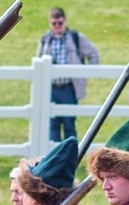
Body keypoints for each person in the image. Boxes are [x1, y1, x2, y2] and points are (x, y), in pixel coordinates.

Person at [36, 8, 98, 143]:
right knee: (53, 124)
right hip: (51, 87)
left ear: (65, 21)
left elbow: (93, 53)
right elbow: (39, 61)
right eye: (54, 23)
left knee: (69, 124)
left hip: (69, 87)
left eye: (60, 22)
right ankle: (55, 158)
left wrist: (86, 72)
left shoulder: (74, 37)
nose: (57, 26)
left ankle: (71, 157)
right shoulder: (45, 40)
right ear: (50, 23)